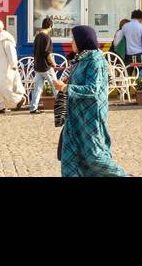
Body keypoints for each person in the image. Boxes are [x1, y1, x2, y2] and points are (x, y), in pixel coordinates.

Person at [52, 25, 127, 177]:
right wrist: (69, 79)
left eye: (74, 39)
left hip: (90, 118)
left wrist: (66, 87)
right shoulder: (80, 59)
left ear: (82, 41)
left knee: (94, 156)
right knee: (70, 157)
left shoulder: (95, 61)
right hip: (75, 118)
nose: (71, 42)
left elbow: (93, 89)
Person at [0, 19, 26, 113]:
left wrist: (13, 65)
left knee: (4, 87)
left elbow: (11, 53)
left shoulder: (5, 37)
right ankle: (0, 107)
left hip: (6, 69)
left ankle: (18, 99)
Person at [29, 16, 57, 115]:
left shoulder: (37, 36)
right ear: (50, 26)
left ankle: (33, 107)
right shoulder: (47, 37)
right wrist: (53, 64)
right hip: (46, 67)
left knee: (38, 88)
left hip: (37, 66)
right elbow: (48, 53)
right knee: (56, 86)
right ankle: (62, 106)